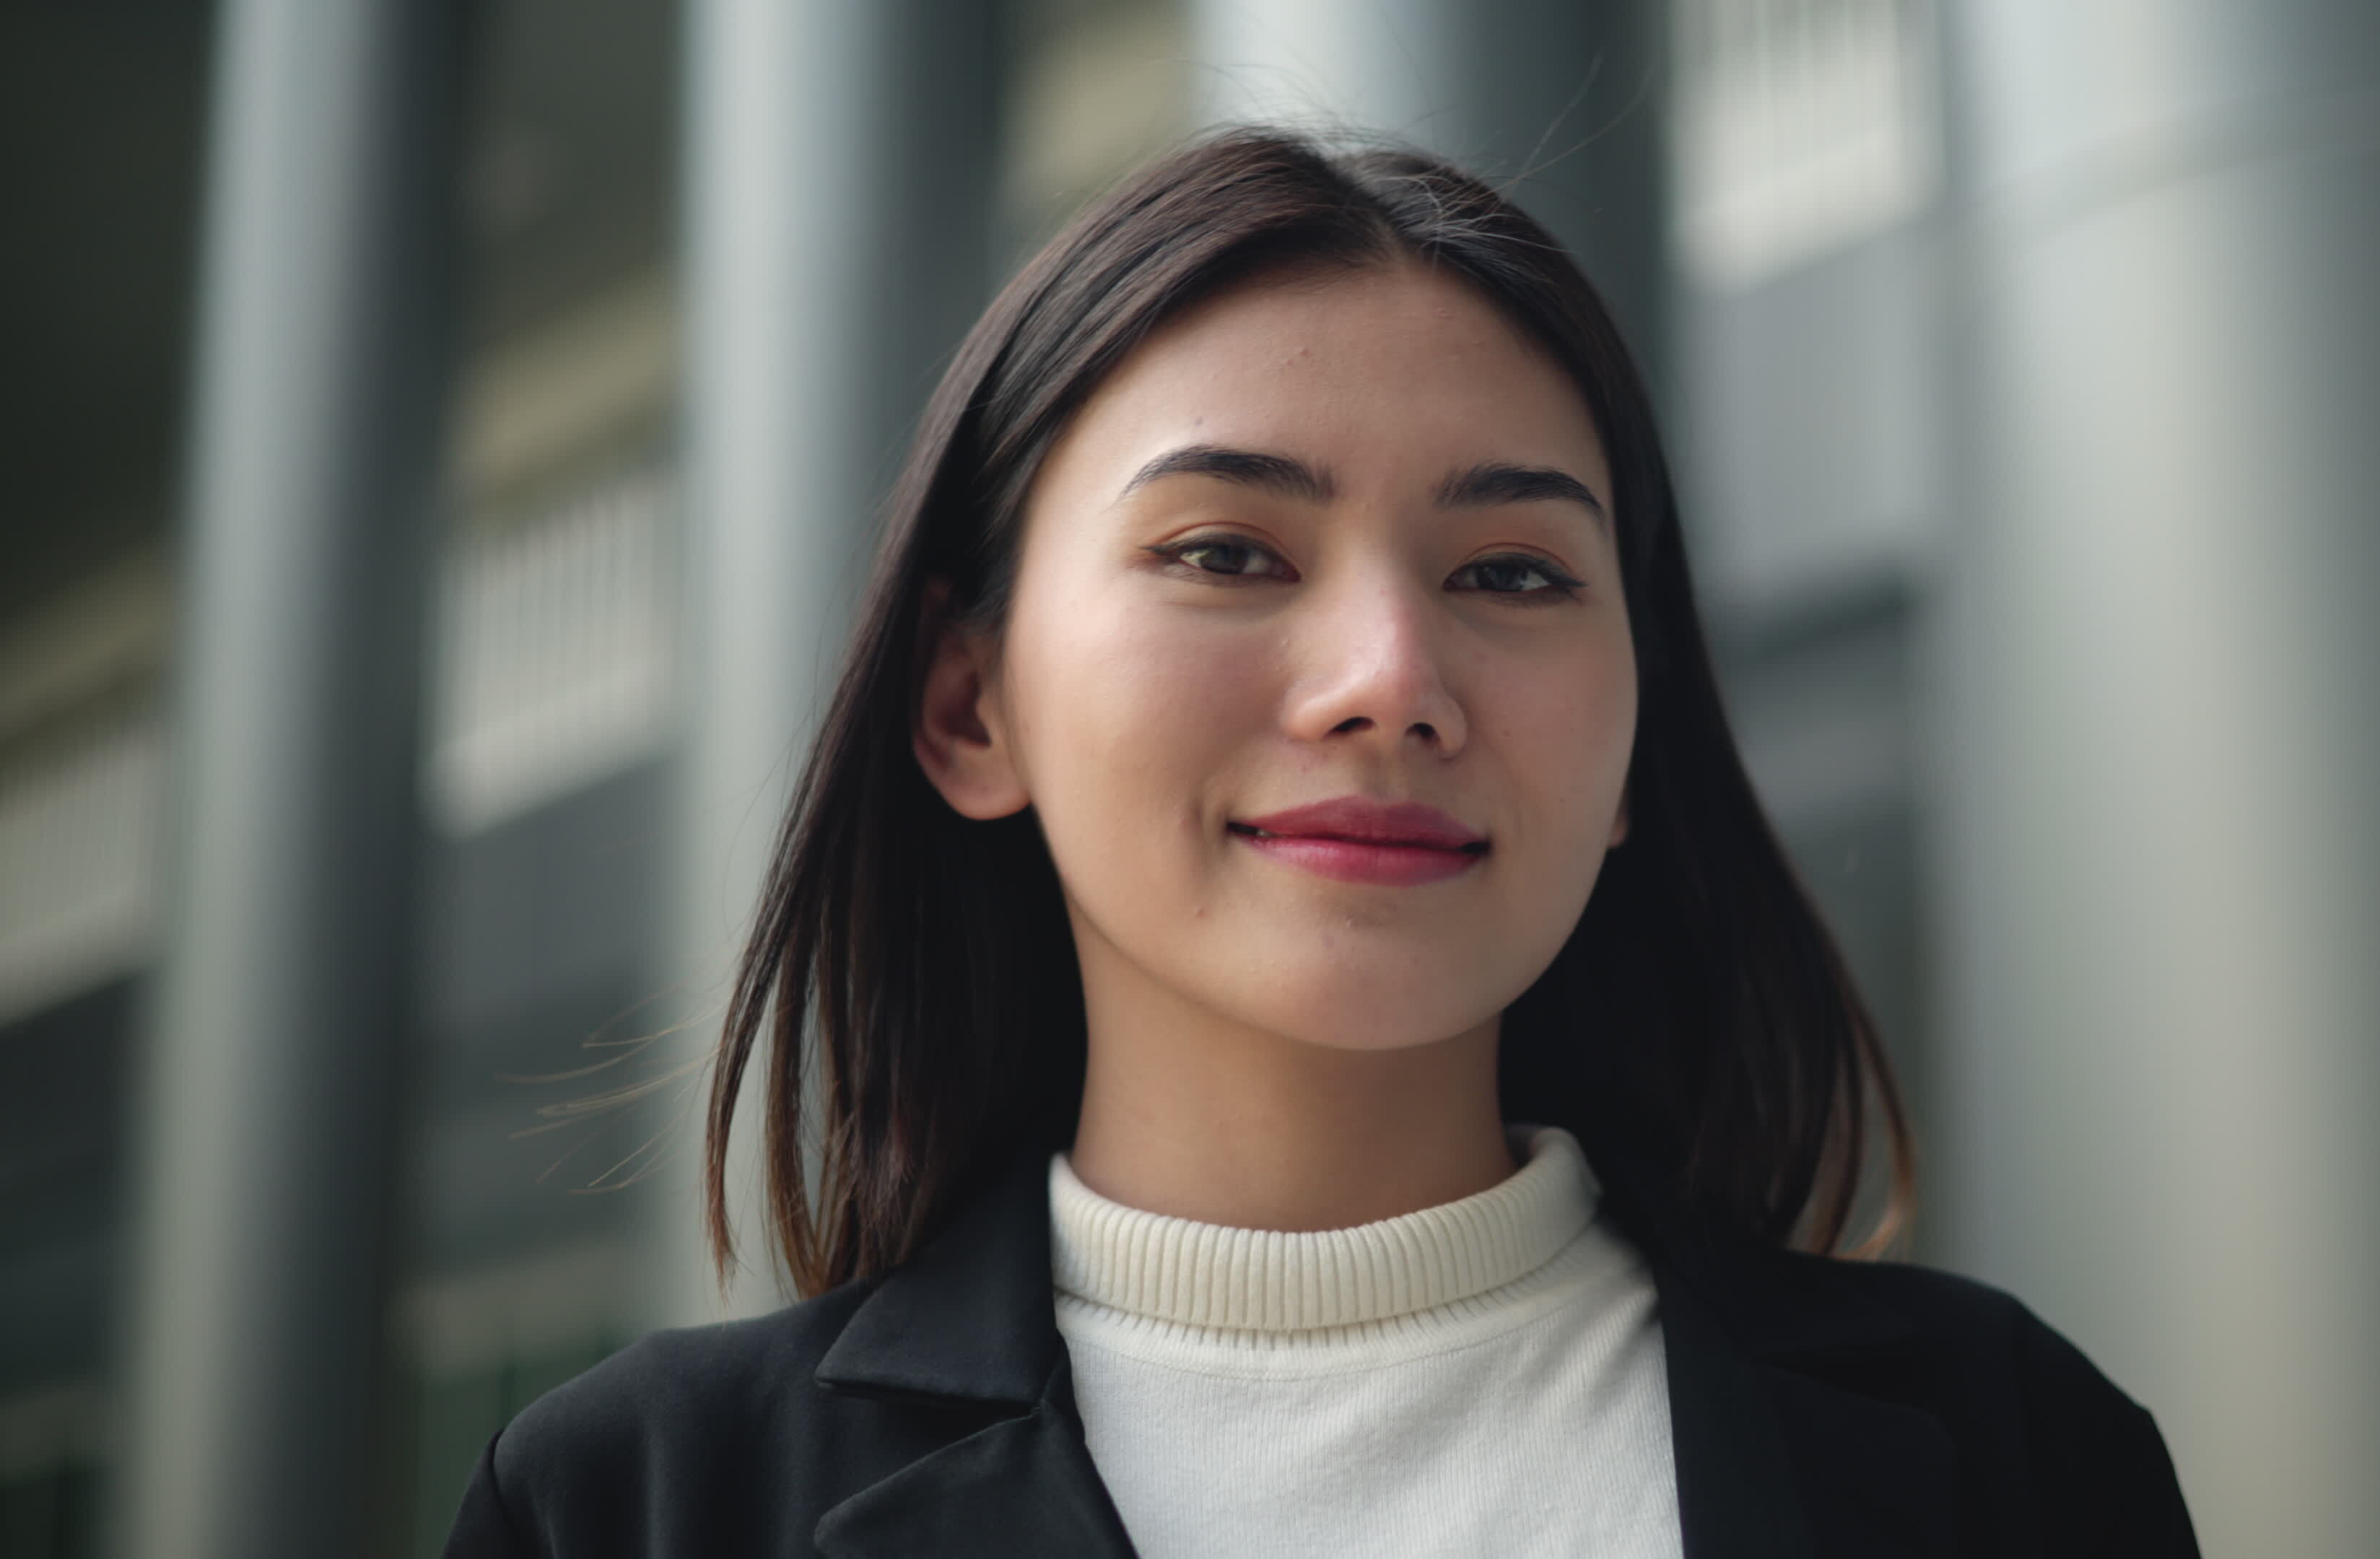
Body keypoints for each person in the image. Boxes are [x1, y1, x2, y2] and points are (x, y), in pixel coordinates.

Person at [443, 127, 2197, 1558]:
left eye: (1510, 574)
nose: (1389, 683)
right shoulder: (635, 1506)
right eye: (1228, 553)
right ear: (971, 709)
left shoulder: (2007, 1458)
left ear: (1632, 745)